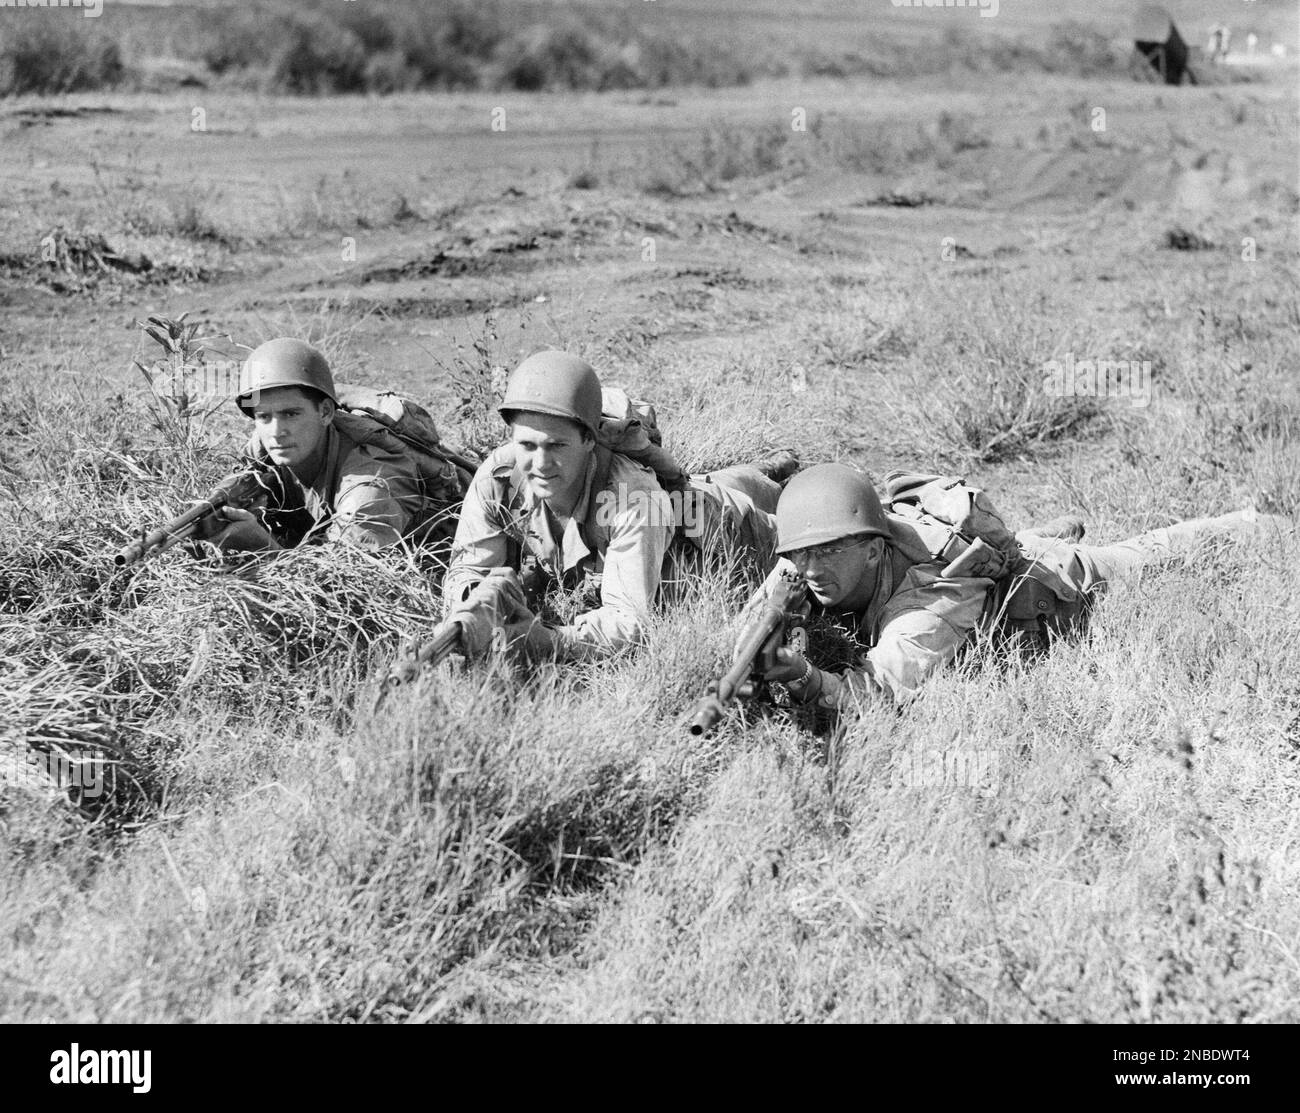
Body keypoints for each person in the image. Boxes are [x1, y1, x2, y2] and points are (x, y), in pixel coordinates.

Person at [742, 463, 1290, 711]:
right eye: (799, 554)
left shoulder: (931, 594)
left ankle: (1253, 523)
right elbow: (756, 616)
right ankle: (1033, 534)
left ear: (872, 545)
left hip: (1049, 586)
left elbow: (882, 690)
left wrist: (807, 677)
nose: (809, 569)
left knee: (1144, 557)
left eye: (827, 552)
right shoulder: (820, 547)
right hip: (988, 560)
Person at [443, 350, 784, 662]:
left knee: (781, 503)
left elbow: (630, 623)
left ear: (589, 439)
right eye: (527, 445)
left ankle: (781, 469)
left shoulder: (633, 498)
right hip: (684, 503)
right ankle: (772, 465)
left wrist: (553, 640)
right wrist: (474, 602)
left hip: (736, 528)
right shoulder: (499, 478)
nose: (541, 463)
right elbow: (466, 568)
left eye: (557, 446)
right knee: (723, 479)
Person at [209, 338, 457, 552]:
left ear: (326, 413)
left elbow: (342, 582)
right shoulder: (264, 454)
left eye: (291, 414)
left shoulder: (371, 479)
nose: (276, 431)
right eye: (264, 417)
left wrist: (262, 546)